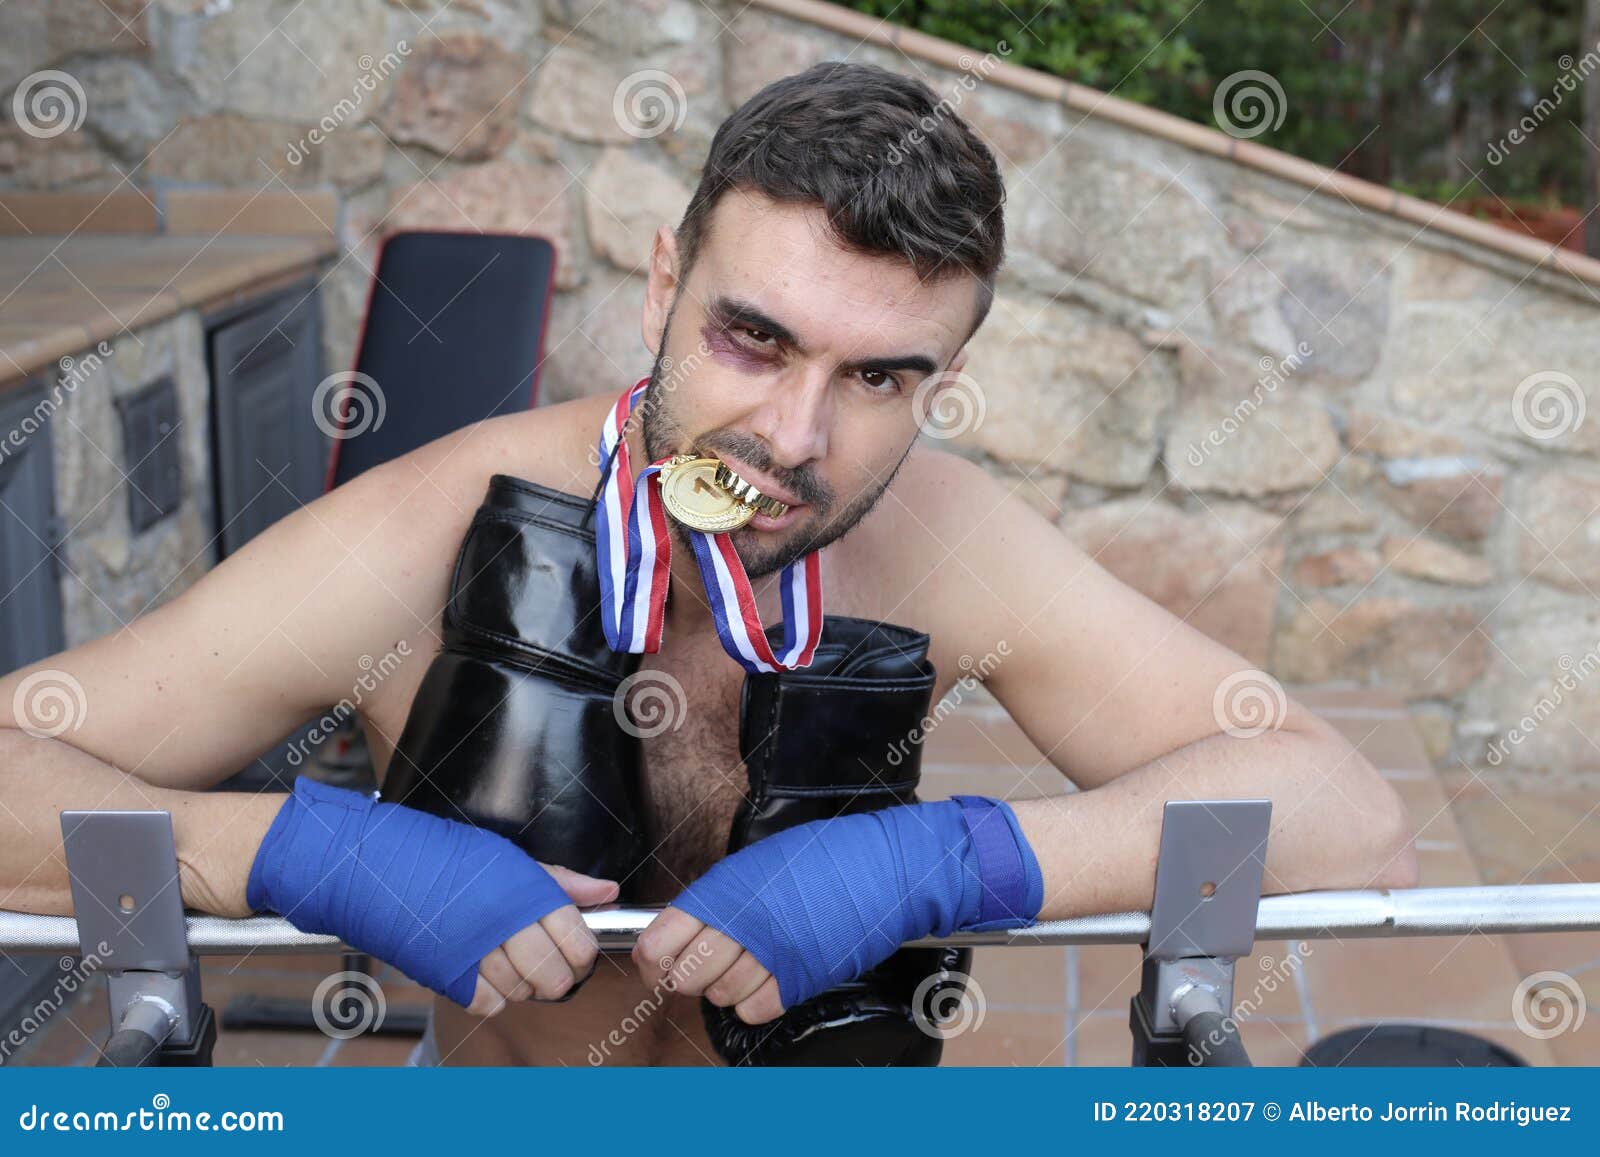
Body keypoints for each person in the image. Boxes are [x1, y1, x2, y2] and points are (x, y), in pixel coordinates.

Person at [0, 62, 1417, 1068]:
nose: (794, 436)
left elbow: (1348, 822)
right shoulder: (417, 532)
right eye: (754, 337)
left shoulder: (947, 539)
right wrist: (301, 852)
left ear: (946, 378)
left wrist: (956, 859)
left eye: (877, 375)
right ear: (666, 284)